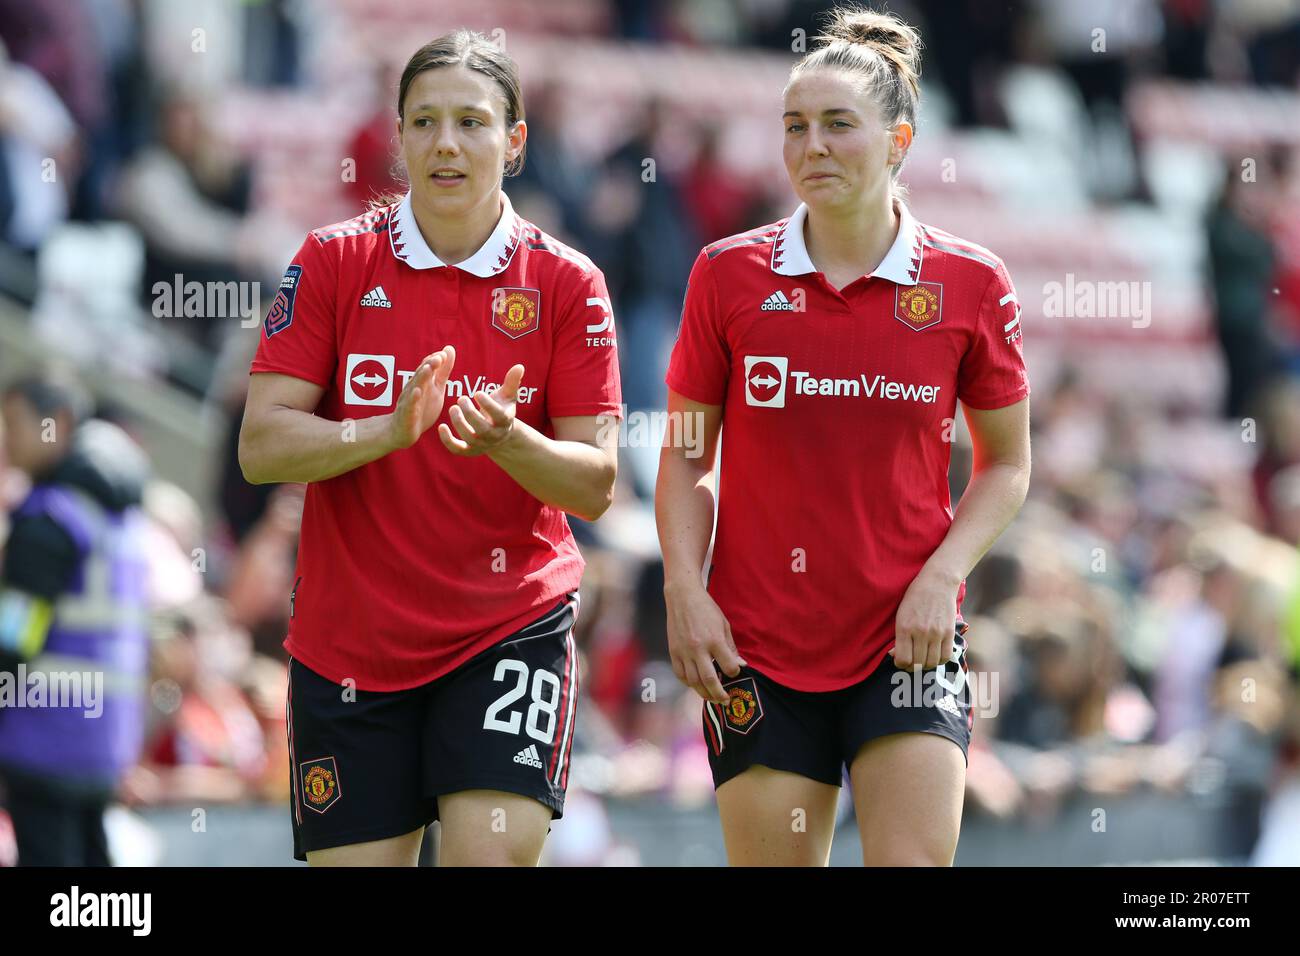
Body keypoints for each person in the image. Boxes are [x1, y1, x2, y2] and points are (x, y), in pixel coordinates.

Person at [656, 5, 1031, 866]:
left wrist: (943, 576)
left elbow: (1008, 464)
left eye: (837, 125)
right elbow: (683, 456)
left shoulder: (972, 283)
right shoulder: (725, 274)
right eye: (794, 127)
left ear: (898, 140)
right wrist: (685, 587)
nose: (811, 146)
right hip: (755, 648)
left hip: (910, 638)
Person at [238, 30, 622, 867]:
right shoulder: (333, 261)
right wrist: (382, 433)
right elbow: (260, 446)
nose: (447, 143)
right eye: (425, 122)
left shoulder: (568, 284)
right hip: (351, 644)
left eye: (472, 122)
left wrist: (508, 441)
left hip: (506, 626)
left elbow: (595, 486)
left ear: (514, 141)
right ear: (400, 136)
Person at [0, 371, 151, 866]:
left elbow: (12, 638)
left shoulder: (49, 521)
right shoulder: (119, 517)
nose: (7, 439)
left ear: (59, 424)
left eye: (15, 423)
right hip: (104, 743)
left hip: (44, 737)